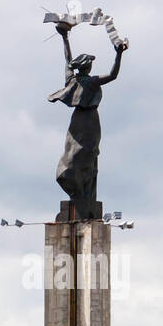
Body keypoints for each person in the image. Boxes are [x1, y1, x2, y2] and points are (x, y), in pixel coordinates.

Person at [48, 24, 127, 218]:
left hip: (86, 122)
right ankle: (79, 190)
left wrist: (65, 37)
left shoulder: (78, 81)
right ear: (87, 66)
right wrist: (119, 54)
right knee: (75, 155)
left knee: (88, 157)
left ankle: (85, 194)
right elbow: (113, 74)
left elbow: (67, 60)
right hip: (84, 122)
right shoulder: (83, 82)